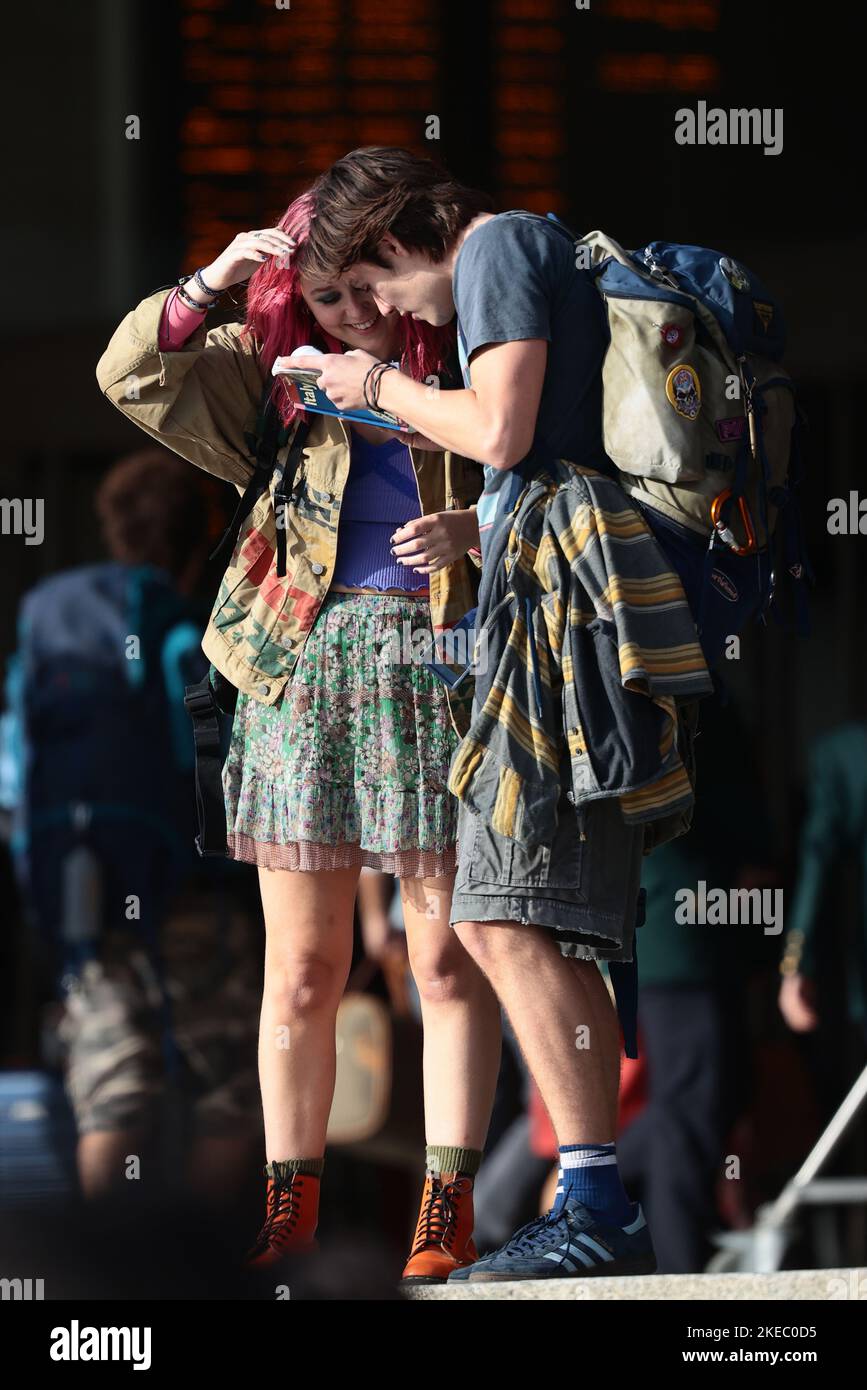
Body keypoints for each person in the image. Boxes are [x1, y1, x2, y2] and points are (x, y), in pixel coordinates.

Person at [299, 147, 713, 1281]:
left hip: (558, 640)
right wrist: (479, 533)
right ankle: (593, 1196)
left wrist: (371, 389)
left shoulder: (495, 249)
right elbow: (538, 453)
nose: (378, 311)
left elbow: (501, 430)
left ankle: (594, 1204)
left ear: (396, 234)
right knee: (509, 913)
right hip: (555, 619)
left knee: (507, 911)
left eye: (372, 282)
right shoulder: (525, 250)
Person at [96, 192, 502, 1280]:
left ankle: (446, 1208)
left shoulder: (470, 348)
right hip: (294, 670)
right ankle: (291, 1212)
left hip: (437, 667)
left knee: (445, 957)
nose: (350, 313)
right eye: (324, 295)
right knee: (304, 968)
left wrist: (478, 525)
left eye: (364, 288)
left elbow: (541, 470)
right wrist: (212, 280)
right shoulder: (273, 364)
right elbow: (128, 373)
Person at [1, 449, 263, 1202]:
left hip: (83, 893)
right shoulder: (181, 627)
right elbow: (213, 764)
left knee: (114, 1086)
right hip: (189, 894)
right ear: (197, 535)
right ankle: (202, 1270)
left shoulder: (56, 622)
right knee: (228, 1092)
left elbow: (14, 768)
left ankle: (106, 1280)